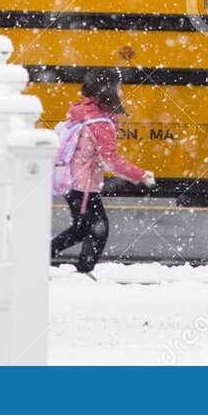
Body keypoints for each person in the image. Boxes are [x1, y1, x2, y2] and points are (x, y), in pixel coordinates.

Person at [51, 69, 155, 274]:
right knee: (99, 229)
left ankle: (45, 256)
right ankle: (83, 270)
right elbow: (112, 160)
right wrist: (140, 175)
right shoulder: (99, 122)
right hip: (83, 186)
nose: (122, 91)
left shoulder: (84, 113)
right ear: (107, 90)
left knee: (82, 228)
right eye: (118, 86)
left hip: (74, 182)